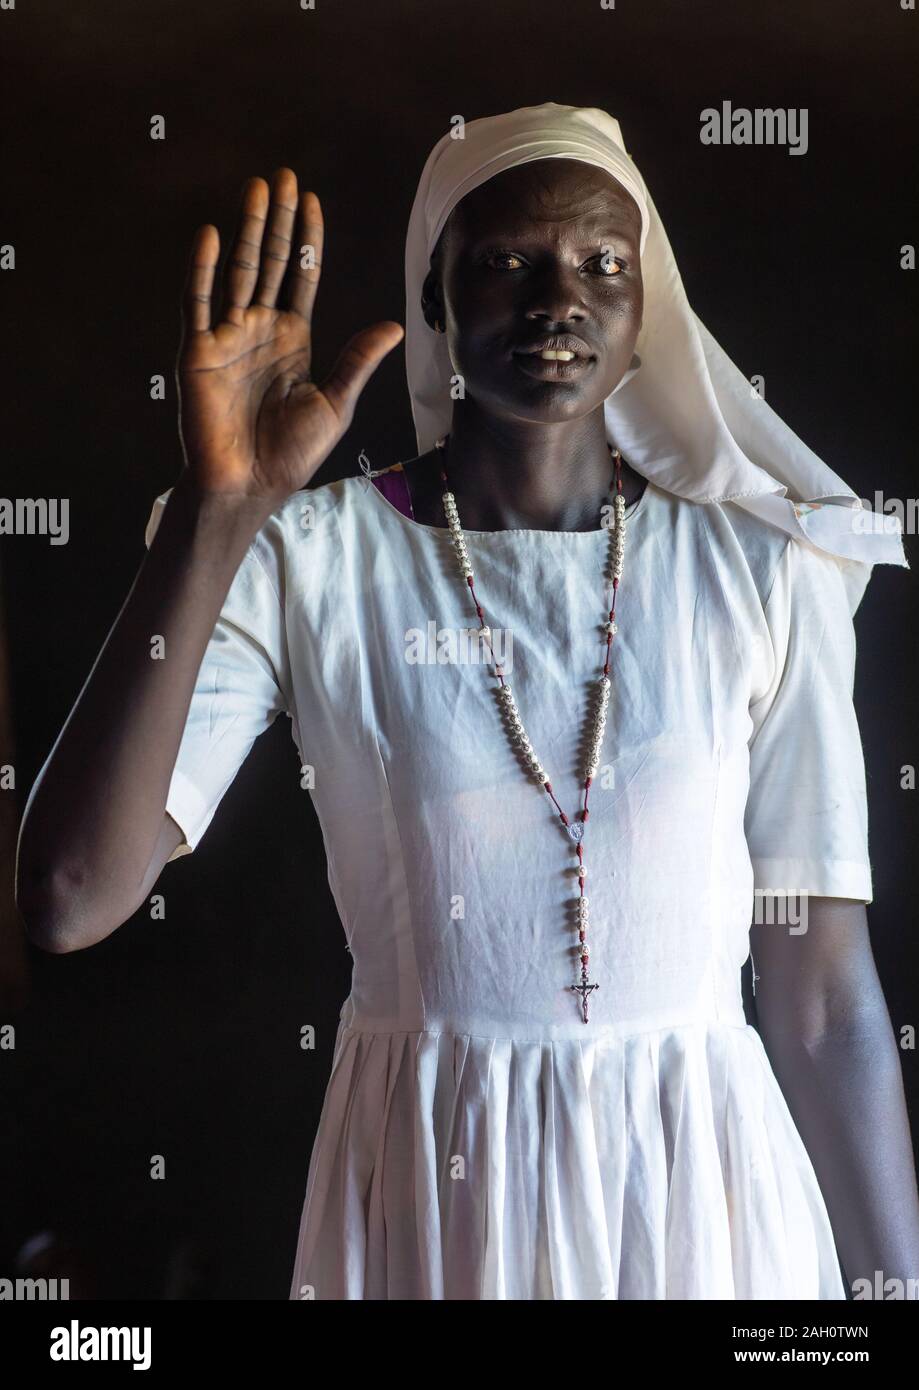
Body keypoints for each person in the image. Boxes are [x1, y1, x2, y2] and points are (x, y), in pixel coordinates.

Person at [16, 102, 918, 1301]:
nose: (560, 299)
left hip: (709, 1205)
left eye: (603, 262)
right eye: (506, 261)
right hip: (438, 1202)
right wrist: (213, 513)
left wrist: (890, 1296)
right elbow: (70, 897)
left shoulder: (761, 569)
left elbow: (823, 1003)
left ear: (645, 301)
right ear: (434, 296)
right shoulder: (308, 559)